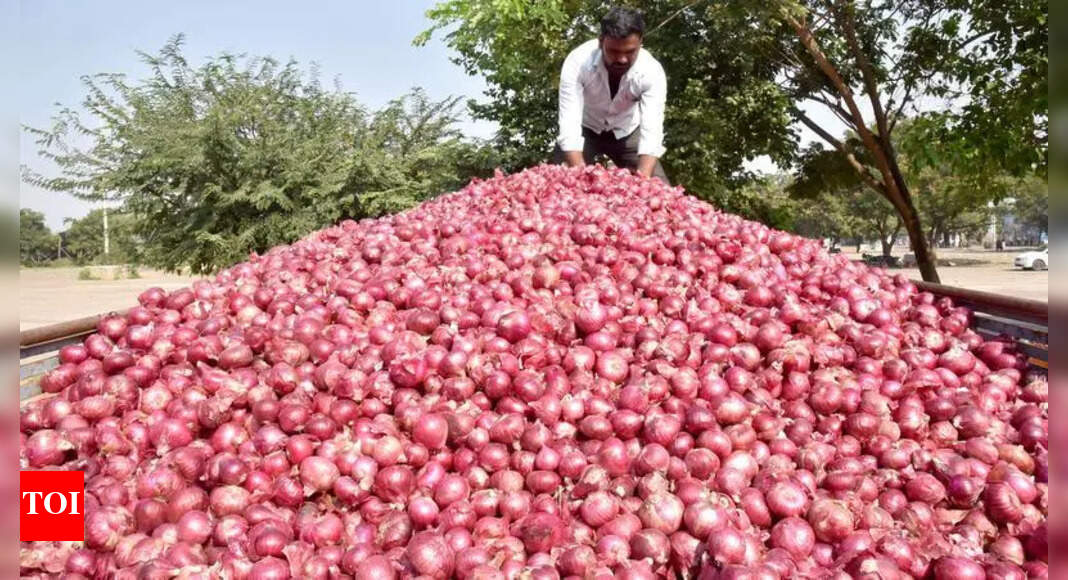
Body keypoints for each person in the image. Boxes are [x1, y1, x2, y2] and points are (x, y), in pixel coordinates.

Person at [551, 6, 670, 184]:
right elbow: (569, 124)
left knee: (661, 193)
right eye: (614, 51)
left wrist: (643, 183)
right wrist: (579, 179)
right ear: (601, 42)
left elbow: (652, 132)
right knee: (557, 184)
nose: (622, 59)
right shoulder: (578, 62)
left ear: (640, 43)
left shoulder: (651, 71)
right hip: (586, 130)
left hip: (627, 132)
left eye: (630, 52)